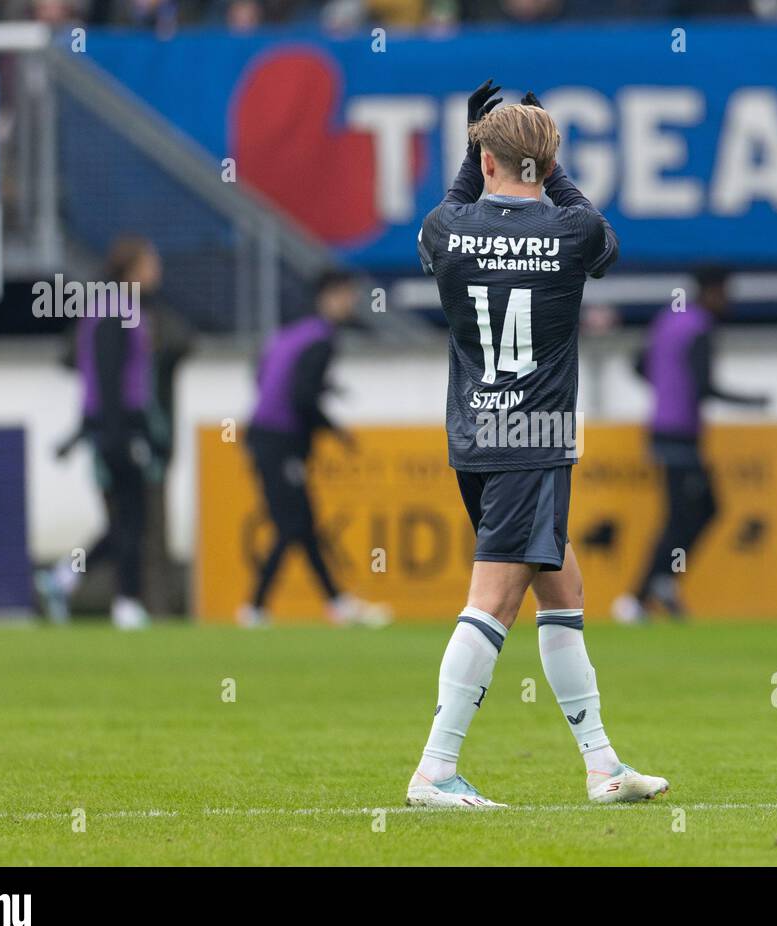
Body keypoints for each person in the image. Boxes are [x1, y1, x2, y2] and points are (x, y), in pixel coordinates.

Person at [406, 81, 668, 808]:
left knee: (564, 591)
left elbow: (456, 213)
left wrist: (475, 144)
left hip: (475, 433)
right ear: (548, 164)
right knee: (493, 602)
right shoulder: (570, 232)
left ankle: (602, 765)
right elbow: (600, 234)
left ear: (484, 161)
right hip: (537, 434)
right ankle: (434, 768)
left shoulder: (446, 228)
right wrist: (541, 161)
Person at [613, 268, 769, 623]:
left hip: (662, 430)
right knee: (683, 516)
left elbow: (638, 364)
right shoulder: (700, 328)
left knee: (701, 510)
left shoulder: (669, 319)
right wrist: (752, 403)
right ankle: (635, 599)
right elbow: (704, 387)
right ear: (712, 291)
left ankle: (664, 582)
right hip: (679, 435)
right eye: (725, 293)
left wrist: (667, 388)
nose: (728, 302)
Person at [236, 270, 391, 628]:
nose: (351, 302)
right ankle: (255, 609)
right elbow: (302, 396)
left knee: (301, 525)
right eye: (346, 294)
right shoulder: (322, 339)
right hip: (279, 441)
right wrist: (335, 430)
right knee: (292, 525)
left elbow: (262, 375)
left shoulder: (292, 332)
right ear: (329, 296)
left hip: (264, 435)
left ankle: (334, 603)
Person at [37, 237, 165, 629]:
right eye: (149, 264)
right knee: (128, 517)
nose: (156, 272)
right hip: (115, 430)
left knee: (127, 521)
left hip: (115, 426)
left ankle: (64, 578)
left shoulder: (118, 309)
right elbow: (109, 382)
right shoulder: (115, 312)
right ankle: (124, 603)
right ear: (132, 271)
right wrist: (119, 434)